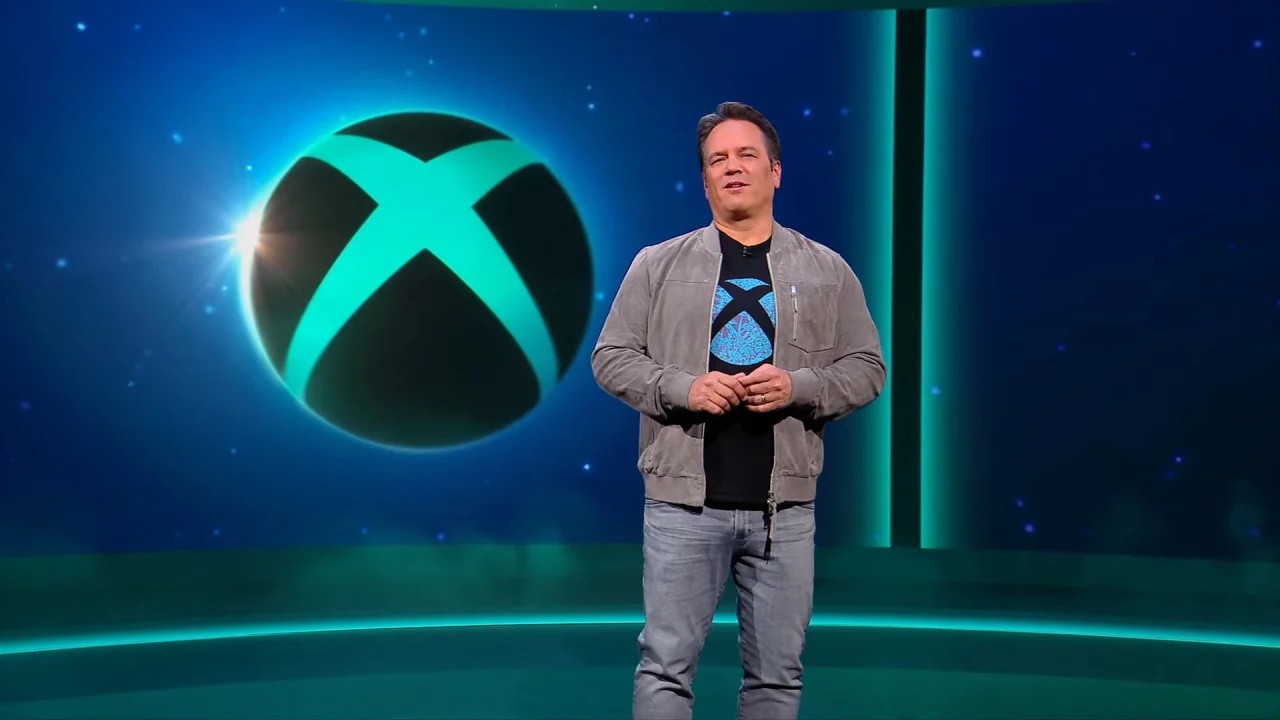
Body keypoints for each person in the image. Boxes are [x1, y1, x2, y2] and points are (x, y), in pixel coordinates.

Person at [590, 101, 887, 720]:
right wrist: (682, 389)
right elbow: (611, 358)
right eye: (717, 159)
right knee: (665, 669)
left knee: (777, 678)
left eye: (747, 155)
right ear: (704, 181)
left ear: (776, 171)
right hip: (681, 507)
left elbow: (867, 368)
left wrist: (799, 386)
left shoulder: (827, 270)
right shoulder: (656, 265)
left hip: (785, 513)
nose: (732, 167)